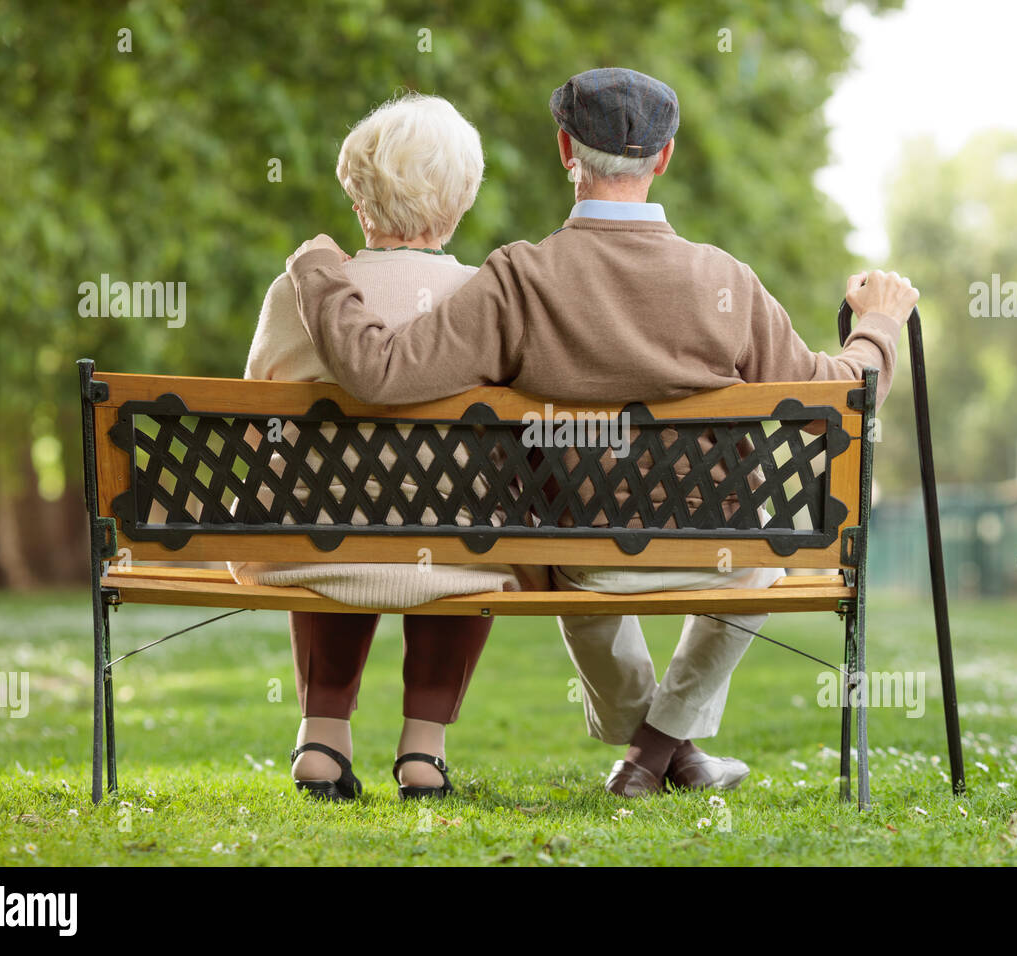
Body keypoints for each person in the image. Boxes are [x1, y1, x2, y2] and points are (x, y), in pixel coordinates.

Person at [283, 68, 919, 797]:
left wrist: (322, 272)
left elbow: (384, 374)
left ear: (564, 149)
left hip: (583, 557)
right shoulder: (726, 282)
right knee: (763, 554)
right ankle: (661, 749)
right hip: (719, 549)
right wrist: (879, 322)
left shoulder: (520, 277)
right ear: (665, 157)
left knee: (577, 543)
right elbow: (846, 396)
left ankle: (654, 752)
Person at [231, 93, 535, 802]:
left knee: (326, 506)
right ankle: (423, 750)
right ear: (460, 201)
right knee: (459, 514)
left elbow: (255, 411)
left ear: (359, 197)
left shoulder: (296, 292)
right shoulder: (483, 295)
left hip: (315, 548)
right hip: (456, 557)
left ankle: (321, 738)